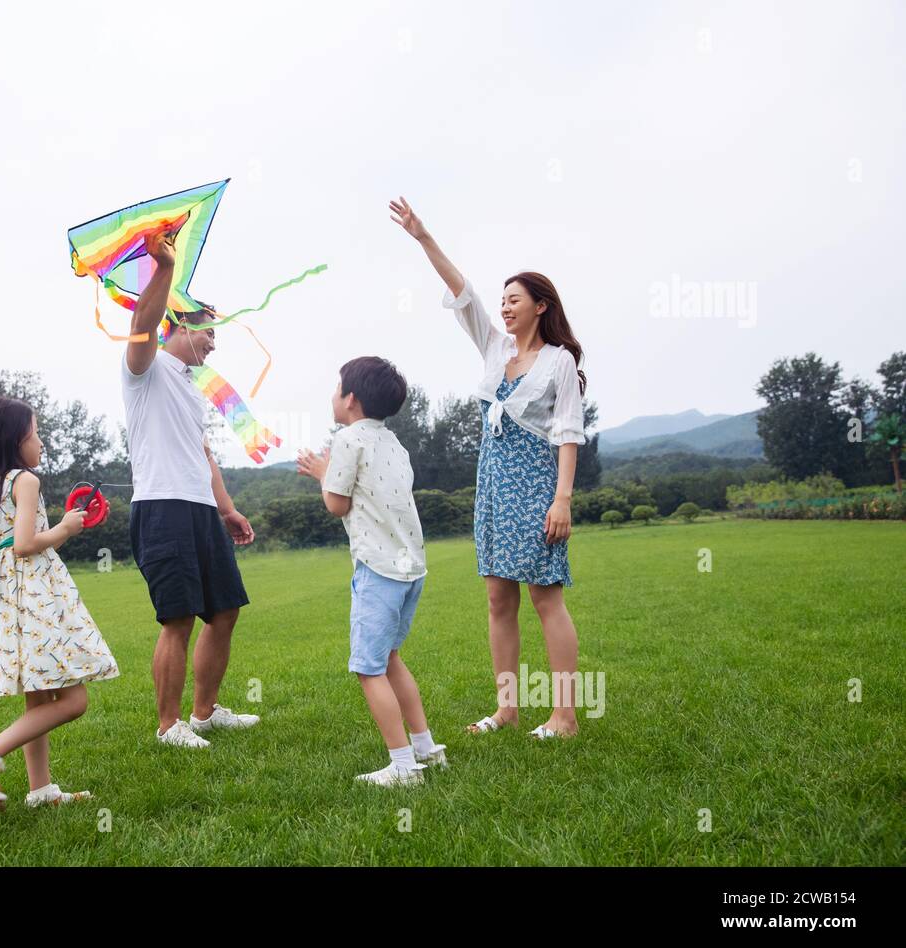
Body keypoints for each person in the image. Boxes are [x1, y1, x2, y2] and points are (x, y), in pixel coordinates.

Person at [390, 196, 587, 740]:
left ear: (540, 306)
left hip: (538, 486)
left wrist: (562, 498)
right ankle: (507, 709)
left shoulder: (559, 362)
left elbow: (569, 434)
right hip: (493, 487)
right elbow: (463, 293)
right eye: (502, 300)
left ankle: (565, 716)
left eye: (515, 300)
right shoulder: (493, 348)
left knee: (547, 597)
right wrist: (423, 236)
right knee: (499, 598)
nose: (504, 307)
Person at [121, 229, 260, 749]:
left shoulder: (190, 387)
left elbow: (202, 454)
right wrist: (163, 271)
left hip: (201, 509)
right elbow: (141, 324)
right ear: (180, 323)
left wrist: (226, 508)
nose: (213, 342)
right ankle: (168, 726)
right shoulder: (145, 370)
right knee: (177, 618)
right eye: (209, 332)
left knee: (224, 610)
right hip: (162, 508)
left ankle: (204, 713)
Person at [0, 396, 119, 809]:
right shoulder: (25, 480)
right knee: (74, 700)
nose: (41, 442)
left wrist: (60, 525)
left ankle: (40, 790)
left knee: (39, 694)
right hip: (35, 595)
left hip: (8, 594)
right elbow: (25, 545)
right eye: (35, 433)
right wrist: (65, 527)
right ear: (14, 438)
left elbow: (11, 540)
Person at [297, 357, 447, 786]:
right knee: (391, 657)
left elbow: (336, 503)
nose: (333, 394)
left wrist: (323, 474)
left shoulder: (348, 439)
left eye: (336, 386)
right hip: (411, 568)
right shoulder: (394, 444)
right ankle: (425, 748)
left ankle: (402, 766)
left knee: (369, 667)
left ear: (351, 400)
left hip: (378, 569)